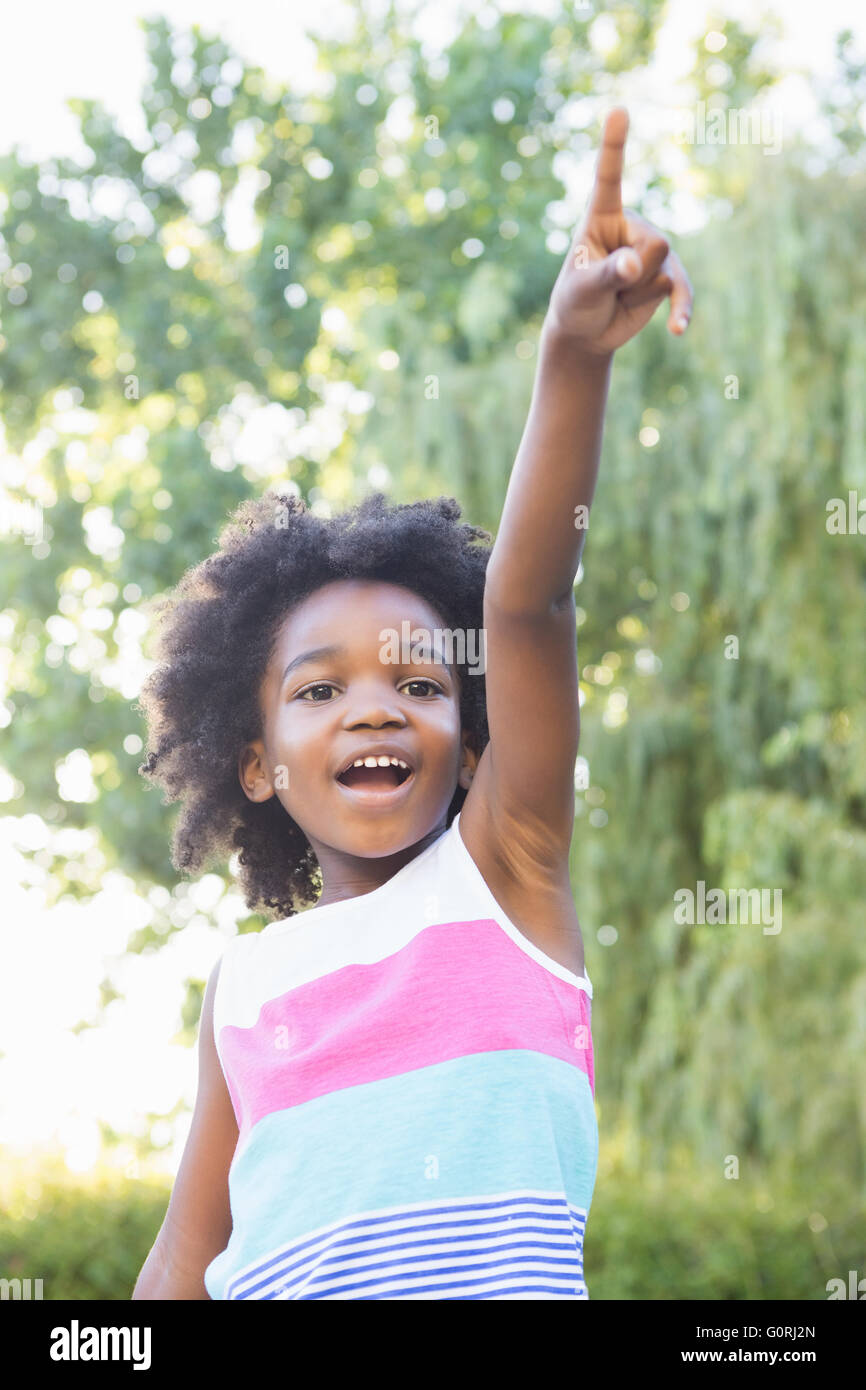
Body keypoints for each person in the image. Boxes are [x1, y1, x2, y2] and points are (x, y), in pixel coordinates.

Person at [132, 108, 692, 1301]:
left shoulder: (506, 874)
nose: (373, 710)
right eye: (321, 689)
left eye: (420, 680)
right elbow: (187, 1255)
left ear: (474, 737)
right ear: (255, 762)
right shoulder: (247, 984)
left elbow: (528, 601)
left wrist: (571, 358)